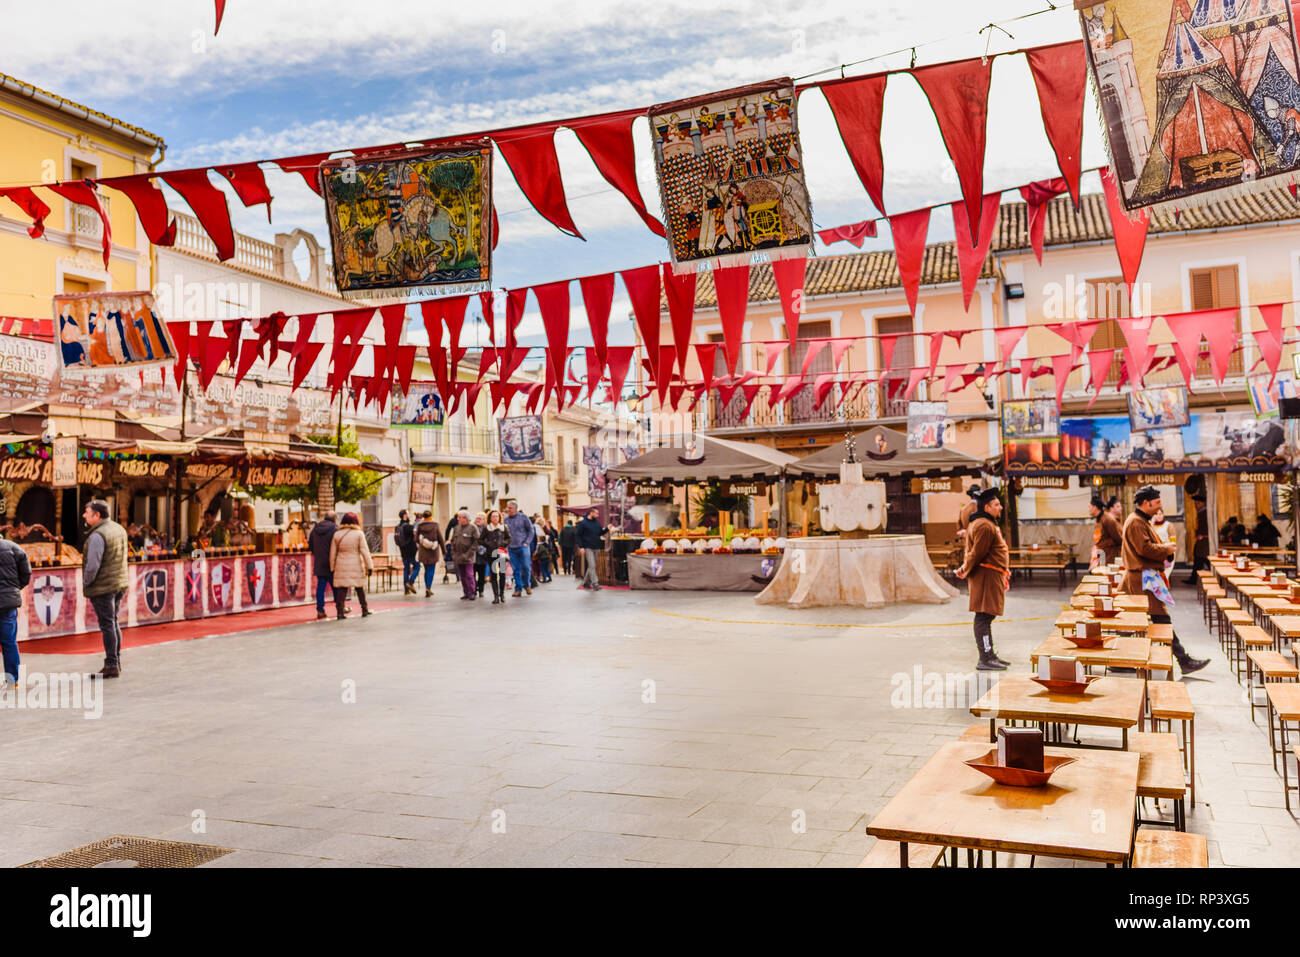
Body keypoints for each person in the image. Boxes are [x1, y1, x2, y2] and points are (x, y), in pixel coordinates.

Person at [1121, 485, 1209, 677]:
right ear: (1147, 503)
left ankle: (1182, 660)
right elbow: (1144, 549)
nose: (1160, 506)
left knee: (1141, 620)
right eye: (1158, 502)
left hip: (1145, 577)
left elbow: (1148, 547)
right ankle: (1183, 660)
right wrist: (1167, 550)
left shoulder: (1141, 520)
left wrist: (1164, 550)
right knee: (1160, 618)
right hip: (1142, 579)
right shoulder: (1136, 522)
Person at [955, 488, 1010, 671]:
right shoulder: (984, 526)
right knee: (983, 617)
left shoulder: (983, 523)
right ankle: (985, 658)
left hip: (989, 576)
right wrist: (964, 568)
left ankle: (990, 655)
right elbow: (976, 553)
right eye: (996, 505)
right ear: (987, 507)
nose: (1000, 507)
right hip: (986, 577)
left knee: (986, 616)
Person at [82, 500, 129, 678]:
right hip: (119, 582)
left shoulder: (97, 536)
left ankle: (111, 664)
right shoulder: (118, 529)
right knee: (113, 621)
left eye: (87, 512)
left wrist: (87, 582)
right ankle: (115, 660)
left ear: (97, 515)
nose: (84, 516)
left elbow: (93, 564)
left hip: (103, 586)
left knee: (108, 624)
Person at [0, 534, 31, 687]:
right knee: (9, 641)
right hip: (8, 603)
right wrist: (15, 588)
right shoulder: (13, 547)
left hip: (8, 599)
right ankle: (13, 679)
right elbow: (26, 573)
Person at [329, 513, 373, 619]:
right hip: (356, 564)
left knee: (342, 589)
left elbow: (332, 553)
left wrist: (332, 567)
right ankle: (364, 609)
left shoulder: (337, 534)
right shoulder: (359, 534)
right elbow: (365, 551)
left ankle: (340, 612)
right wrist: (370, 566)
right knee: (359, 588)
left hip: (341, 564)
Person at [308, 511, 338, 620]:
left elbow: (310, 545)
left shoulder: (315, 529)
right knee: (336, 586)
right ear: (334, 519)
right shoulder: (335, 529)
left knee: (321, 586)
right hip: (331, 561)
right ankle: (339, 606)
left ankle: (320, 610)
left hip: (319, 561)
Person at [504, 501, 536, 597]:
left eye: (510, 508)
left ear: (515, 509)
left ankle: (527, 585)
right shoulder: (506, 520)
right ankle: (518, 588)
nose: (508, 510)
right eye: (507, 508)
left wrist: (527, 542)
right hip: (511, 548)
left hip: (523, 546)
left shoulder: (523, 517)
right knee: (515, 569)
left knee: (526, 567)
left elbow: (531, 530)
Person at [447, 510, 480, 600]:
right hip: (458, 556)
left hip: (469, 556)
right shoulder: (457, 528)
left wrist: (469, 553)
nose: (458, 519)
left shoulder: (473, 528)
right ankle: (466, 592)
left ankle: (472, 592)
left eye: (460, 517)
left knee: (469, 575)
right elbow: (453, 541)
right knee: (462, 575)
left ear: (465, 518)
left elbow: (477, 541)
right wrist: (453, 553)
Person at [481, 510, 509, 604]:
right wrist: (488, 544)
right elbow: (480, 540)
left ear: (499, 517)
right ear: (490, 518)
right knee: (493, 575)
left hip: (501, 552)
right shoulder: (487, 528)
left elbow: (509, 538)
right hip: (491, 553)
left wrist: (503, 544)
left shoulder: (503, 527)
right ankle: (496, 596)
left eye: (497, 516)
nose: (495, 518)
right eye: (493, 516)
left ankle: (502, 594)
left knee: (502, 573)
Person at [575, 507, 606, 592]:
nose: (597, 515)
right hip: (587, 547)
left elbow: (600, 533)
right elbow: (578, 535)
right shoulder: (582, 523)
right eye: (596, 513)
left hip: (596, 546)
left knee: (592, 566)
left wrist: (607, 529)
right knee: (592, 565)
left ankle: (586, 582)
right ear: (591, 513)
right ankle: (595, 583)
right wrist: (581, 547)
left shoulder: (597, 523)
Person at [415, 511, 445, 597]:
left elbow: (416, 539)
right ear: (431, 516)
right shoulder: (435, 525)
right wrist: (444, 551)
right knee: (431, 570)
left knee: (426, 569)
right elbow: (440, 538)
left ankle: (427, 587)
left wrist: (423, 542)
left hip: (423, 551)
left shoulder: (420, 526)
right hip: (433, 550)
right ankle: (428, 587)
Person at [1090, 495, 1123, 569]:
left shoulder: (1108, 520)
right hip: (1101, 551)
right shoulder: (1099, 519)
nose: (1089, 509)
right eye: (1118, 506)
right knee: (1100, 572)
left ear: (1095, 507)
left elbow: (1118, 539)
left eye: (1090, 507)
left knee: (1107, 574)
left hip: (1109, 553)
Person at [395, 509, 419, 594]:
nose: (409, 515)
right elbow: (415, 534)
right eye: (408, 514)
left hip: (403, 551)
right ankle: (410, 582)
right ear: (405, 515)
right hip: (411, 551)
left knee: (406, 569)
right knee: (417, 566)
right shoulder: (408, 527)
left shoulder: (397, 527)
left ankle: (406, 590)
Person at [472, 511, 490, 597]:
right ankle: (473, 589)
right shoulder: (472, 528)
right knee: (472, 573)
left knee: (481, 574)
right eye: (477, 518)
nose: (477, 520)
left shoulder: (487, 529)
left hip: (483, 554)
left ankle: (481, 590)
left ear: (484, 520)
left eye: (480, 518)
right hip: (473, 554)